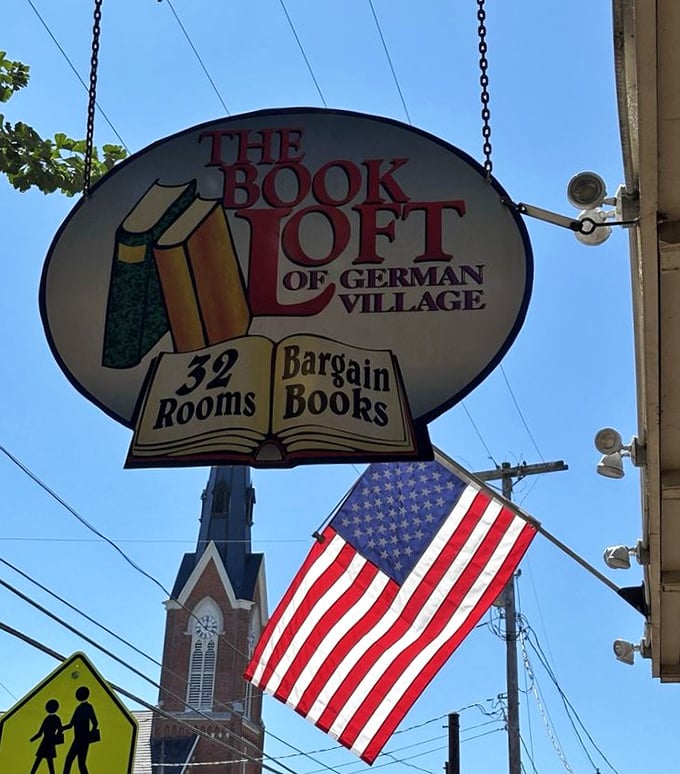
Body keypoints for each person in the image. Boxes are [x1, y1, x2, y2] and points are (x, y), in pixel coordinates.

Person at [61, 687, 98, 774]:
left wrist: (89, 736)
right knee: (71, 760)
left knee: (79, 763)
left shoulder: (89, 707)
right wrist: (62, 728)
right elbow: (71, 724)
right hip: (77, 739)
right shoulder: (78, 708)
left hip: (84, 740)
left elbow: (95, 723)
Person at [29, 699, 63, 774]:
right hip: (49, 743)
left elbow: (40, 733)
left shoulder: (47, 719)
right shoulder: (56, 718)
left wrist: (31, 740)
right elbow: (60, 730)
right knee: (48, 762)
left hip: (45, 743)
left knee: (40, 761)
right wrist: (31, 740)